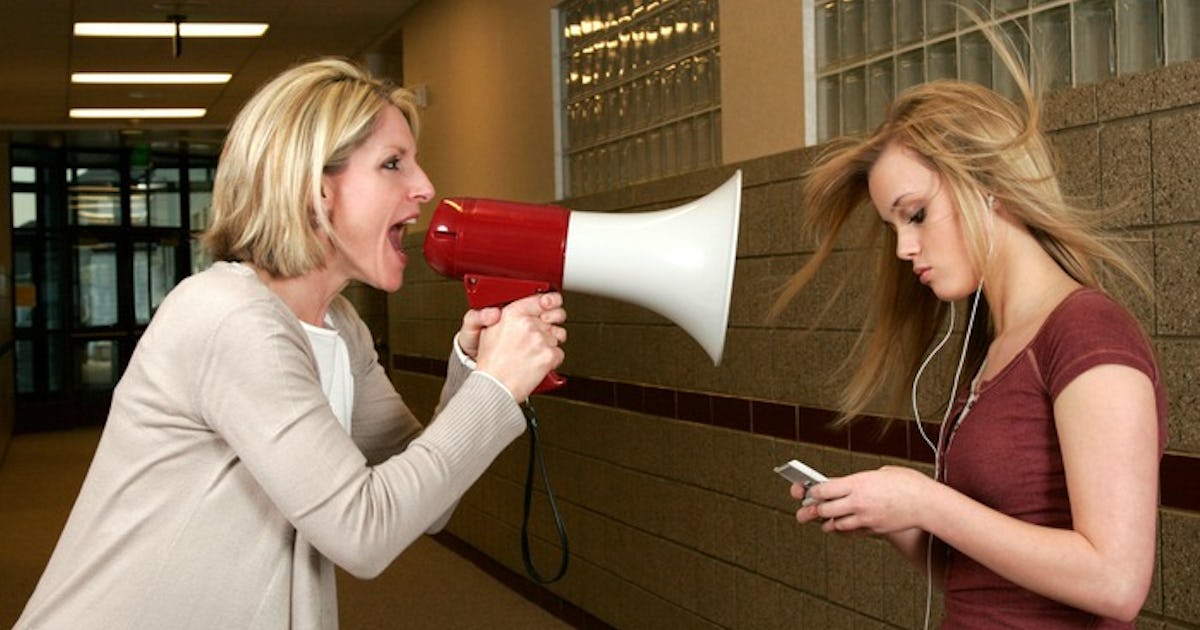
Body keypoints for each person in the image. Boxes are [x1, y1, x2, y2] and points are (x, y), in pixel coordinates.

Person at [16, 58, 567, 629]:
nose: (425, 187)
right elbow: (363, 533)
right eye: (393, 164)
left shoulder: (339, 324)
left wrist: (472, 375)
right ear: (313, 190)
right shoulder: (229, 317)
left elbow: (421, 504)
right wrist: (497, 387)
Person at [773, 25, 1168, 630]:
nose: (904, 249)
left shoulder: (1087, 334)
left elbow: (1116, 582)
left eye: (917, 215)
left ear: (987, 186)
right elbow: (978, 579)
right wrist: (893, 518)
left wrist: (926, 500)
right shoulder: (991, 348)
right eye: (892, 227)